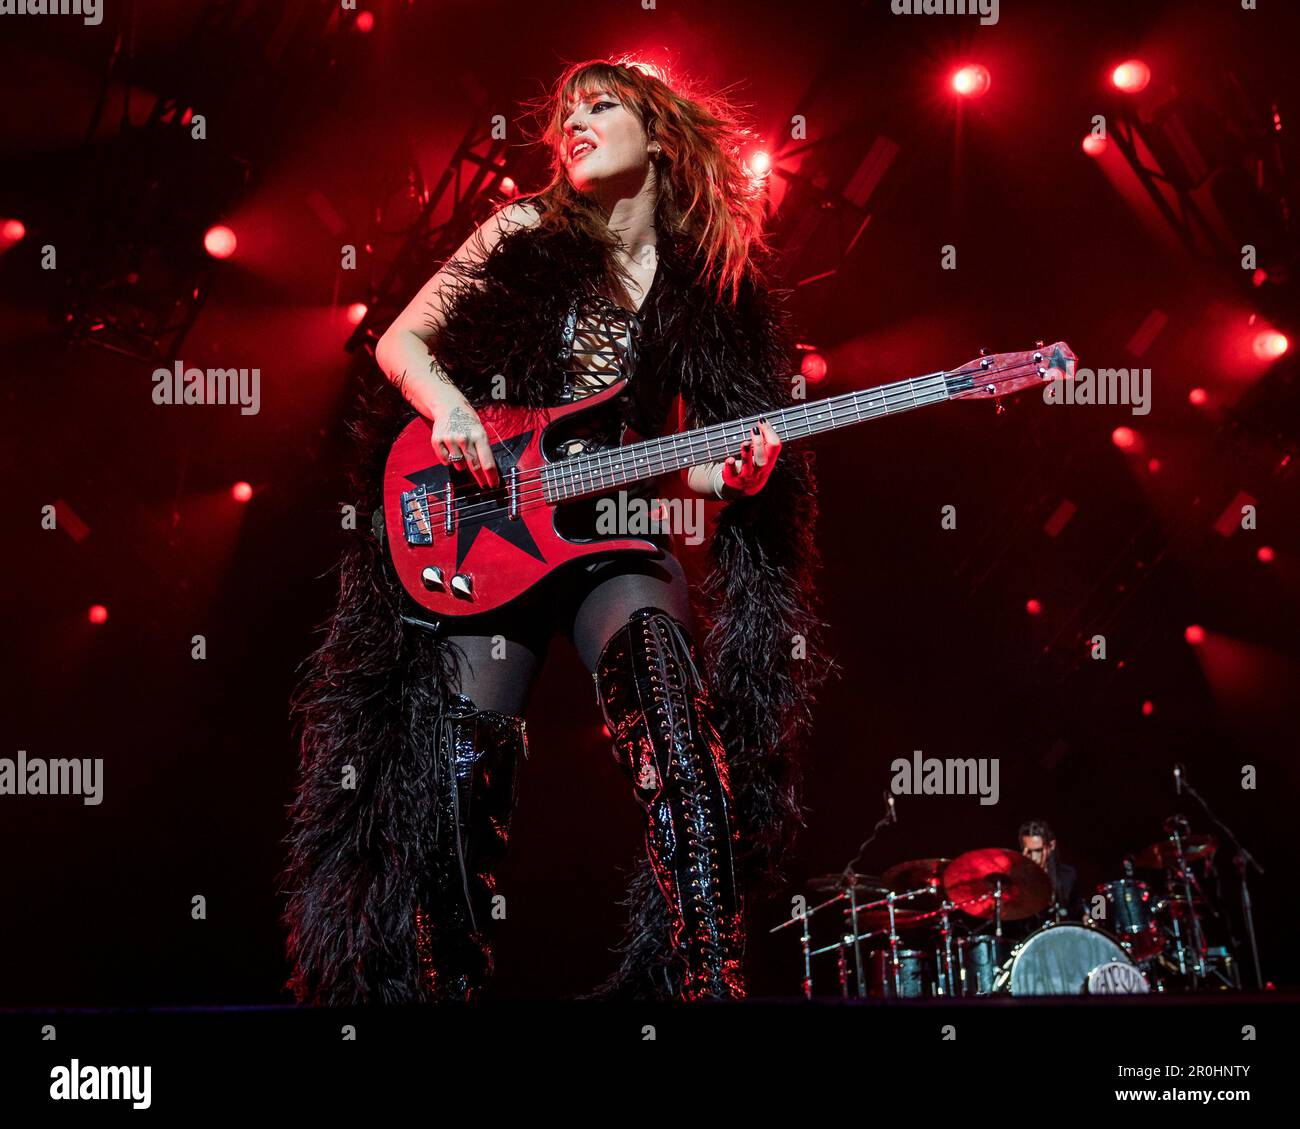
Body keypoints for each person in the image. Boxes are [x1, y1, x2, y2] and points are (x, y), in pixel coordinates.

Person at [279, 58, 832, 1004]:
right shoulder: (521, 228)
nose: (571, 126)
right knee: (453, 783)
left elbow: (681, 463)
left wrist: (730, 476)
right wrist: (452, 410)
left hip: (614, 525)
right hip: (485, 526)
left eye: (599, 108)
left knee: (675, 723)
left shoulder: (710, 284)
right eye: (563, 116)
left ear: (658, 133)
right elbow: (399, 342)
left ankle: (710, 984)